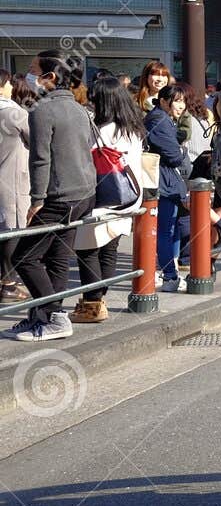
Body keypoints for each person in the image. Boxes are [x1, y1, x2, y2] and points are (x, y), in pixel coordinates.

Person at [8, 56, 95, 341]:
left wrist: (37, 199)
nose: (30, 77)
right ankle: (43, 315)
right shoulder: (79, 108)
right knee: (58, 256)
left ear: (51, 78)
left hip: (58, 195)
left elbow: (40, 158)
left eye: (34, 72)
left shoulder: (42, 110)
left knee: (24, 256)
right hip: (83, 192)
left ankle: (54, 317)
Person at [70, 72, 144, 323]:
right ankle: (99, 299)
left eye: (94, 99)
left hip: (105, 198)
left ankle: (93, 304)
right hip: (128, 195)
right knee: (109, 248)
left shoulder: (103, 130)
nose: (91, 102)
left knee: (87, 248)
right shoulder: (132, 128)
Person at [144, 83, 193, 293]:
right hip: (162, 183)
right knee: (165, 230)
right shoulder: (159, 120)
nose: (181, 105)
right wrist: (182, 152)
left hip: (167, 182)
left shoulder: (164, 119)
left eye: (183, 101)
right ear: (164, 101)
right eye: (177, 100)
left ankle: (169, 272)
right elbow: (174, 156)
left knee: (172, 229)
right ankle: (170, 276)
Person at [0, 71, 29, 302]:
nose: (11, 86)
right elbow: (35, 140)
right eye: (8, 83)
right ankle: (8, 283)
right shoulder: (15, 114)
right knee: (12, 231)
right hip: (11, 179)